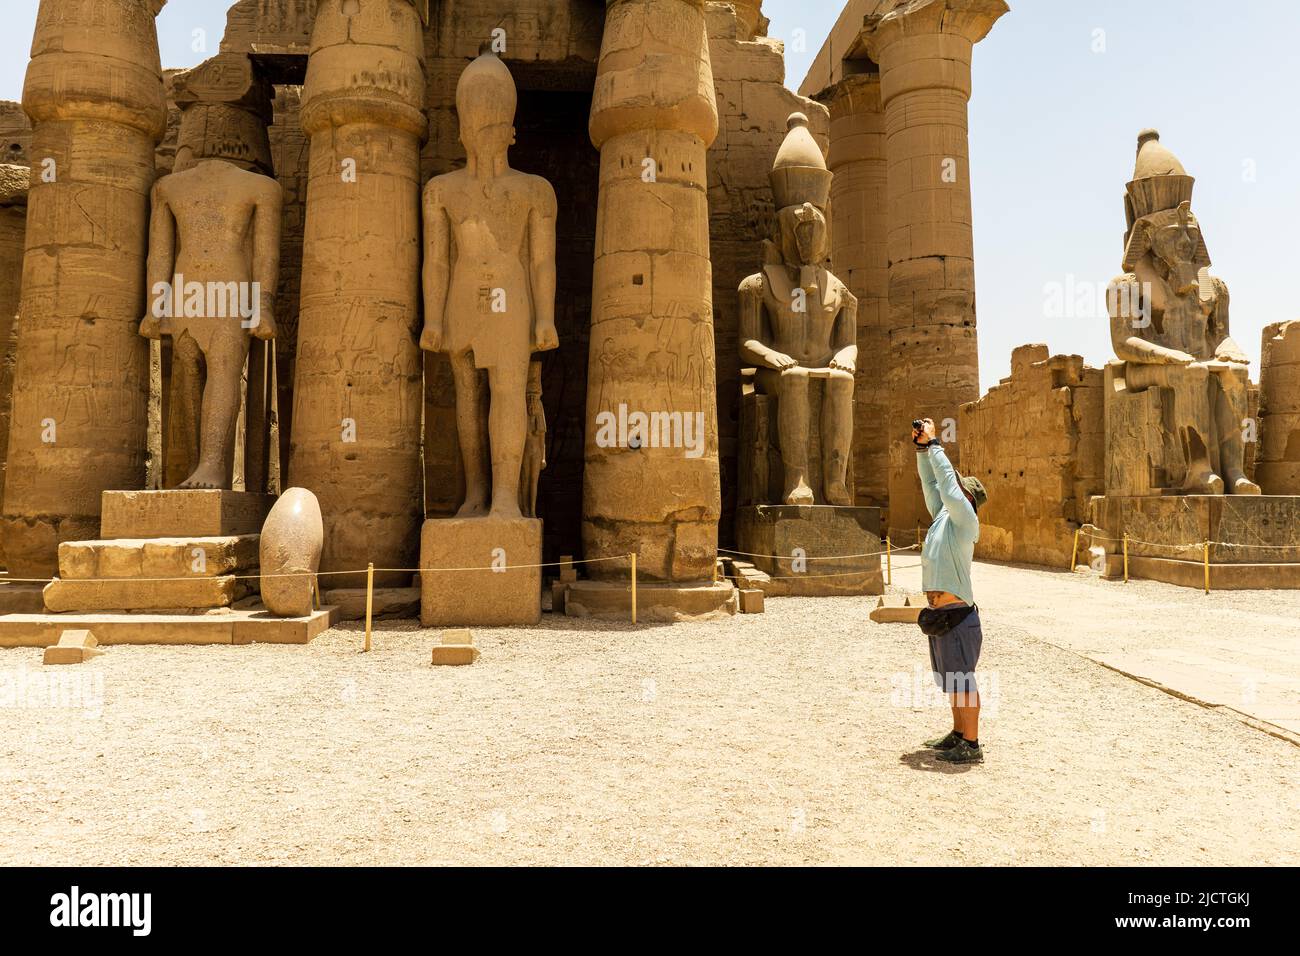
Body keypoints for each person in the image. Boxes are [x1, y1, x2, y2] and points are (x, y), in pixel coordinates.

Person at [912, 418, 988, 764]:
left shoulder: (965, 519)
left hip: (958, 616)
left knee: (963, 680)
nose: (949, 491)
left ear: (966, 496)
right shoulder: (944, 516)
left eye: (957, 489)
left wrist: (936, 445)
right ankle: (958, 734)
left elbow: (946, 484)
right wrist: (921, 450)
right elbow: (933, 484)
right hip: (942, 616)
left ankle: (971, 745)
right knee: (951, 681)